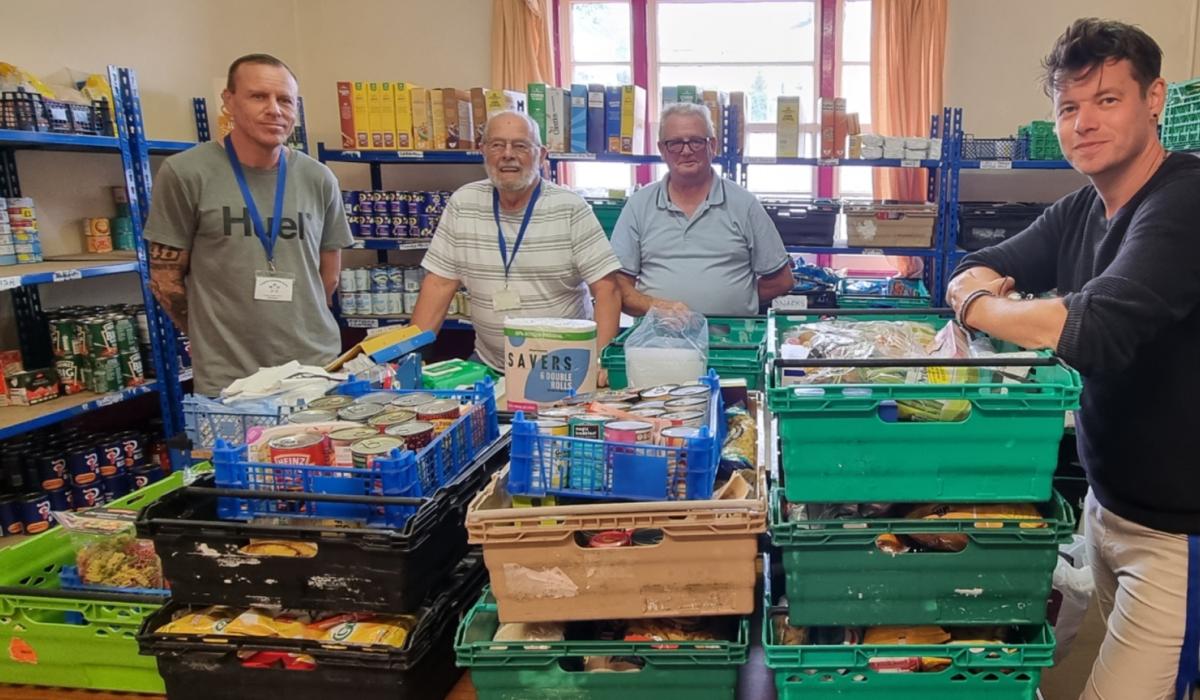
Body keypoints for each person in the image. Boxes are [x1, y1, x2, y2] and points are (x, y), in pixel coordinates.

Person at [945, 18, 1200, 700]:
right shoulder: (1083, 209)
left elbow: (1093, 332)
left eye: (1107, 100)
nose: (1083, 122)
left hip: (1179, 534)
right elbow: (975, 263)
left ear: (1155, 100)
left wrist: (981, 308)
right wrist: (982, 291)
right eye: (1068, 107)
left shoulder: (1184, 202)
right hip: (1107, 506)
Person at [144, 53, 352, 396]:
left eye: (285, 100)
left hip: (313, 370)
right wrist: (208, 337)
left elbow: (328, 276)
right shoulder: (186, 173)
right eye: (259, 96)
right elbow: (165, 280)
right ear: (229, 101)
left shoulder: (318, 178)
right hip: (229, 379)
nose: (275, 109)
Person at [410, 110, 622, 377]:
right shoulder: (463, 204)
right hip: (490, 364)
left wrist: (599, 362)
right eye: (497, 144)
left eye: (520, 145)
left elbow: (607, 290)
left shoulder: (570, 208)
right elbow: (439, 284)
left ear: (542, 155)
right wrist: (407, 358)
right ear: (483, 151)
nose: (507, 154)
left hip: (563, 366)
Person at [610, 102, 794, 316]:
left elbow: (782, 280)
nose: (686, 151)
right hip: (659, 340)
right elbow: (618, 285)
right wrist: (658, 308)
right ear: (662, 150)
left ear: (712, 146)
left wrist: (738, 298)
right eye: (675, 143)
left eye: (696, 142)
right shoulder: (638, 206)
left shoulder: (744, 205)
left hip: (731, 340)